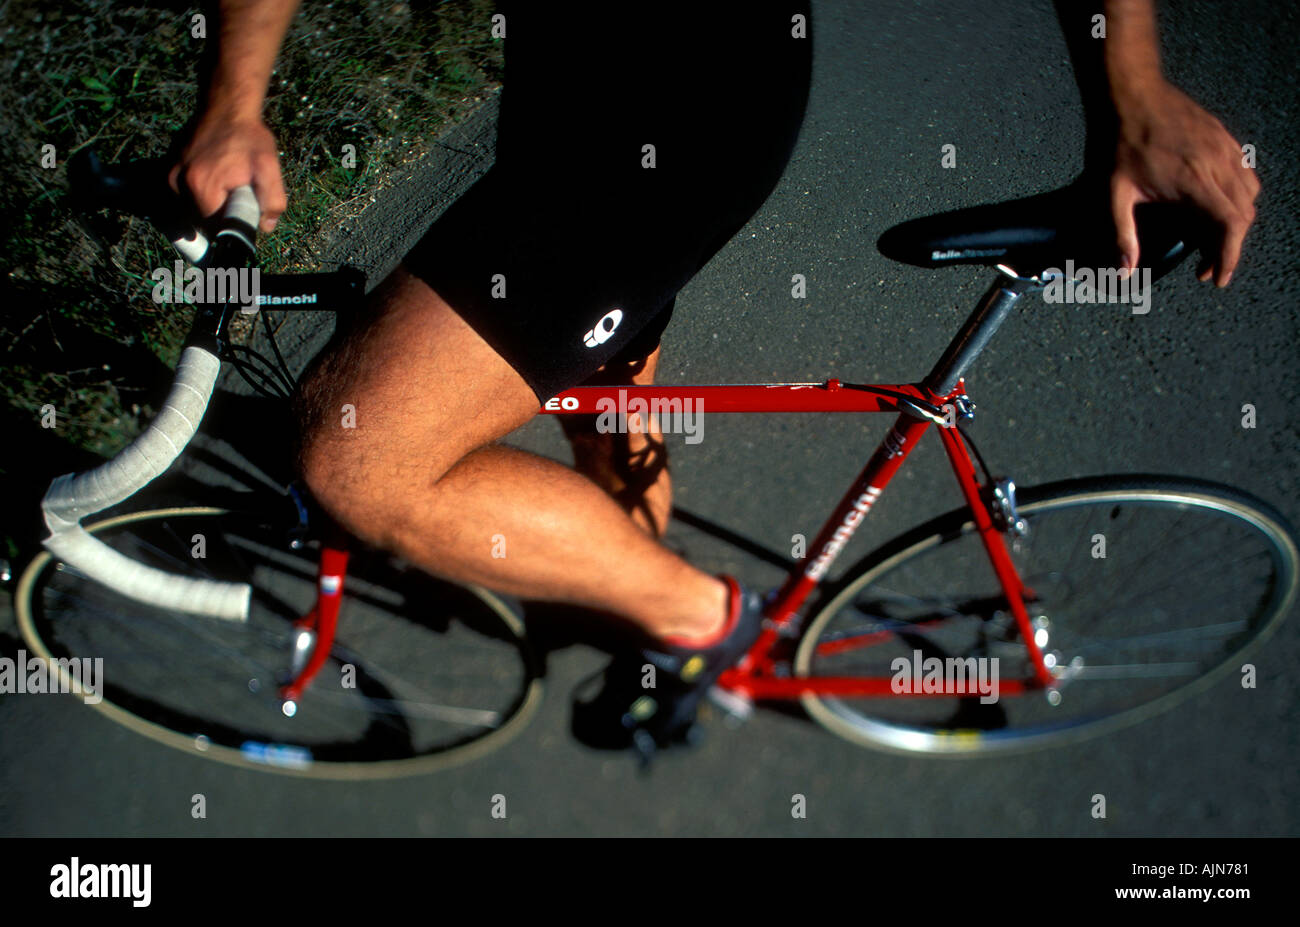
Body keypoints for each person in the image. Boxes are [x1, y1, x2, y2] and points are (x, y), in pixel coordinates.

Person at [170, 0, 1260, 749]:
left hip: (678, 106)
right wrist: (232, 101)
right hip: (575, 102)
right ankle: (628, 569)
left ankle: (702, 623)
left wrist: (1132, 88)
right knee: (595, 393)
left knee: (359, 460)